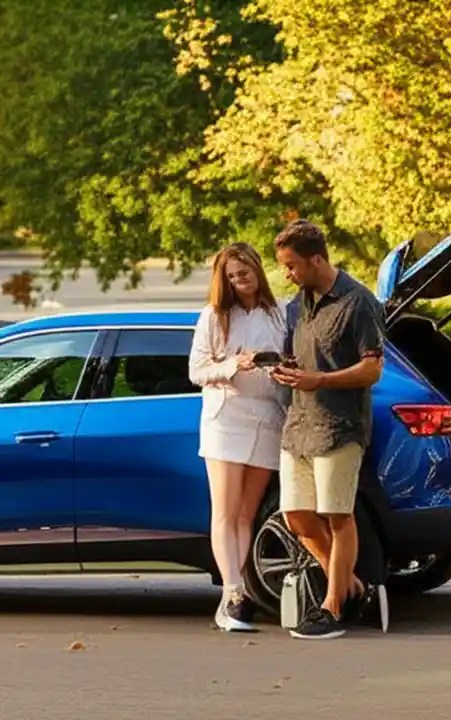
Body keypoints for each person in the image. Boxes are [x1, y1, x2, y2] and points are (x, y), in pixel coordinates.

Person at [269, 219, 387, 640]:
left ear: (316, 258)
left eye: (291, 265)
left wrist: (321, 380)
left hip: (340, 427)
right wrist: (283, 372)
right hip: (298, 426)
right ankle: (350, 584)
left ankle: (332, 607)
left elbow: (372, 368)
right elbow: (295, 359)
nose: (287, 273)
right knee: (296, 516)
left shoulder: (359, 302)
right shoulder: (295, 307)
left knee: (338, 516)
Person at [188, 242, 289, 632]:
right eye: (230, 276)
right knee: (226, 511)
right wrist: (235, 363)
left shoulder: (279, 314)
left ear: (257, 269)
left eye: (243, 272)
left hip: (266, 417)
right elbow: (197, 370)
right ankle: (232, 592)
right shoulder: (213, 316)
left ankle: (237, 589)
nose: (238, 280)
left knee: (247, 512)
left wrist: (279, 370)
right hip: (226, 417)